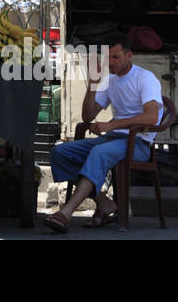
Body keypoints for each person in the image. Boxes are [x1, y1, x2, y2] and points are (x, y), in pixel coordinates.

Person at [44, 36, 164, 232]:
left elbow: (151, 117)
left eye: (116, 57)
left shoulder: (145, 78)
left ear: (129, 55)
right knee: (61, 152)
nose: (110, 63)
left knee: (99, 153)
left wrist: (113, 125)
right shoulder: (110, 80)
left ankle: (65, 213)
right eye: (107, 58)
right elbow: (88, 115)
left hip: (139, 144)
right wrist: (93, 83)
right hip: (112, 139)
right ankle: (103, 201)